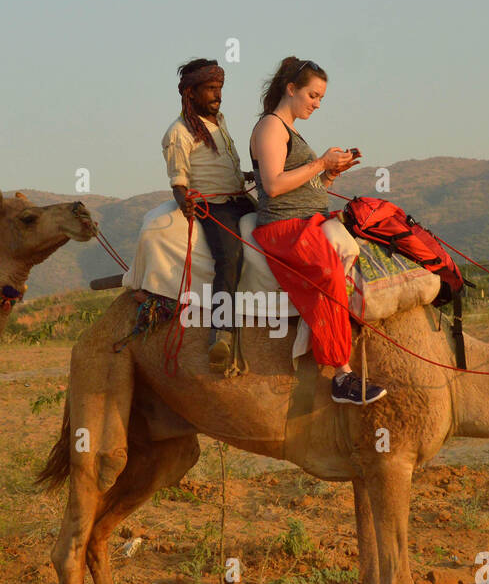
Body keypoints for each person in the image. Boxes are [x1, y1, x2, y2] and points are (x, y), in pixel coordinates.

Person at [249, 57, 386, 404]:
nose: (317, 104)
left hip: (307, 219)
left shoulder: (291, 131)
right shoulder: (270, 127)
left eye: (321, 98)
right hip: (284, 227)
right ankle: (341, 375)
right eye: (313, 95)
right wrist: (320, 163)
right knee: (326, 274)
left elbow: (307, 188)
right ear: (291, 89)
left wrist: (329, 175)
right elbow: (274, 185)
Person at [163, 58, 256, 369]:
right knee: (229, 256)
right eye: (211, 90)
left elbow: (222, 166)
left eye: (220, 89)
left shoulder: (220, 120)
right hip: (213, 206)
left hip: (239, 197)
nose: (218, 96)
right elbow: (178, 179)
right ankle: (222, 332)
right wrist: (183, 200)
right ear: (190, 93)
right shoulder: (179, 131)